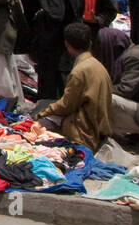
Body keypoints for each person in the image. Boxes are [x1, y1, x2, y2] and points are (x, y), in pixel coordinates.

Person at [19, 0, 85, 99]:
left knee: (52, 95)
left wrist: (39, 18)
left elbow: (55, 14)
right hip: (69, 45)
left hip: (53, 51)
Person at [37, 22, 113, 151]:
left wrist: (42, 113)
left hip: (84, 133)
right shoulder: (97, 65)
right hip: (99, 126)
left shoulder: (79, 71)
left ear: (67, 45)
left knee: (39, 124)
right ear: (90, 43)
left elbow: (67, 105)